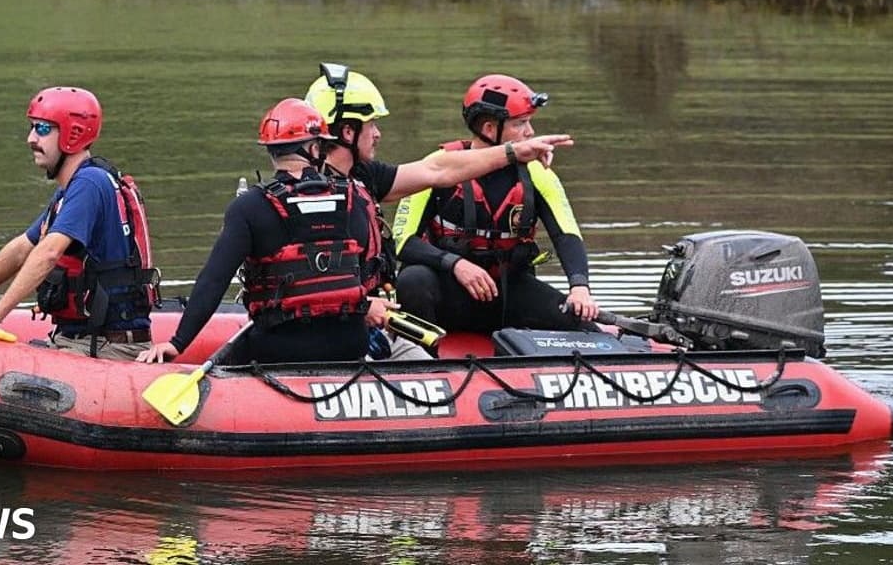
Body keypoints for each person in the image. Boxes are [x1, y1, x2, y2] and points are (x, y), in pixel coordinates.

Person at [302, 64, 575, 356]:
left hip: (365, 316)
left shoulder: (367, 177)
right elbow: (312, 279)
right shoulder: (307, 197)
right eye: (372, 125)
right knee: (413, 281)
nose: (378, 134)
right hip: (336, 323)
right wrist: (363, 305)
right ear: (347, 131)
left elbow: (438, 169)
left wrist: (515, 152)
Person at [136, 98, 382, 364]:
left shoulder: (249, 207)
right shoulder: (353, 199)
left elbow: (214, 281)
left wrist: (178, 342)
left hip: (280, 348)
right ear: (314, 148)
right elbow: (366, 275)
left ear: (272, 151)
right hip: (349, 345)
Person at [0, 86, 158, 360]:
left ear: (72, 134)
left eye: (43, 129)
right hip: (82, 340)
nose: (30, 138)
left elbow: (48, 253)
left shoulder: (89, 185)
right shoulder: (73, 188)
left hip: (108, 348)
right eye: (32, 127)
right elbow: (23, 247)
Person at [391, 74, 599, 336]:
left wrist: (579, 287)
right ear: (490, 129)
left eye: (529, 123)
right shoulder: (437, 166)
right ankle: (420, 364)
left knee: (585, 328)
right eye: (520, 124)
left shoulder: (538, 172)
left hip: (509, 292)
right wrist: (455, 264)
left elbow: (566, 234)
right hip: (447, 293)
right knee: (412, 280)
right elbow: (402, 241)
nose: (530, 133)